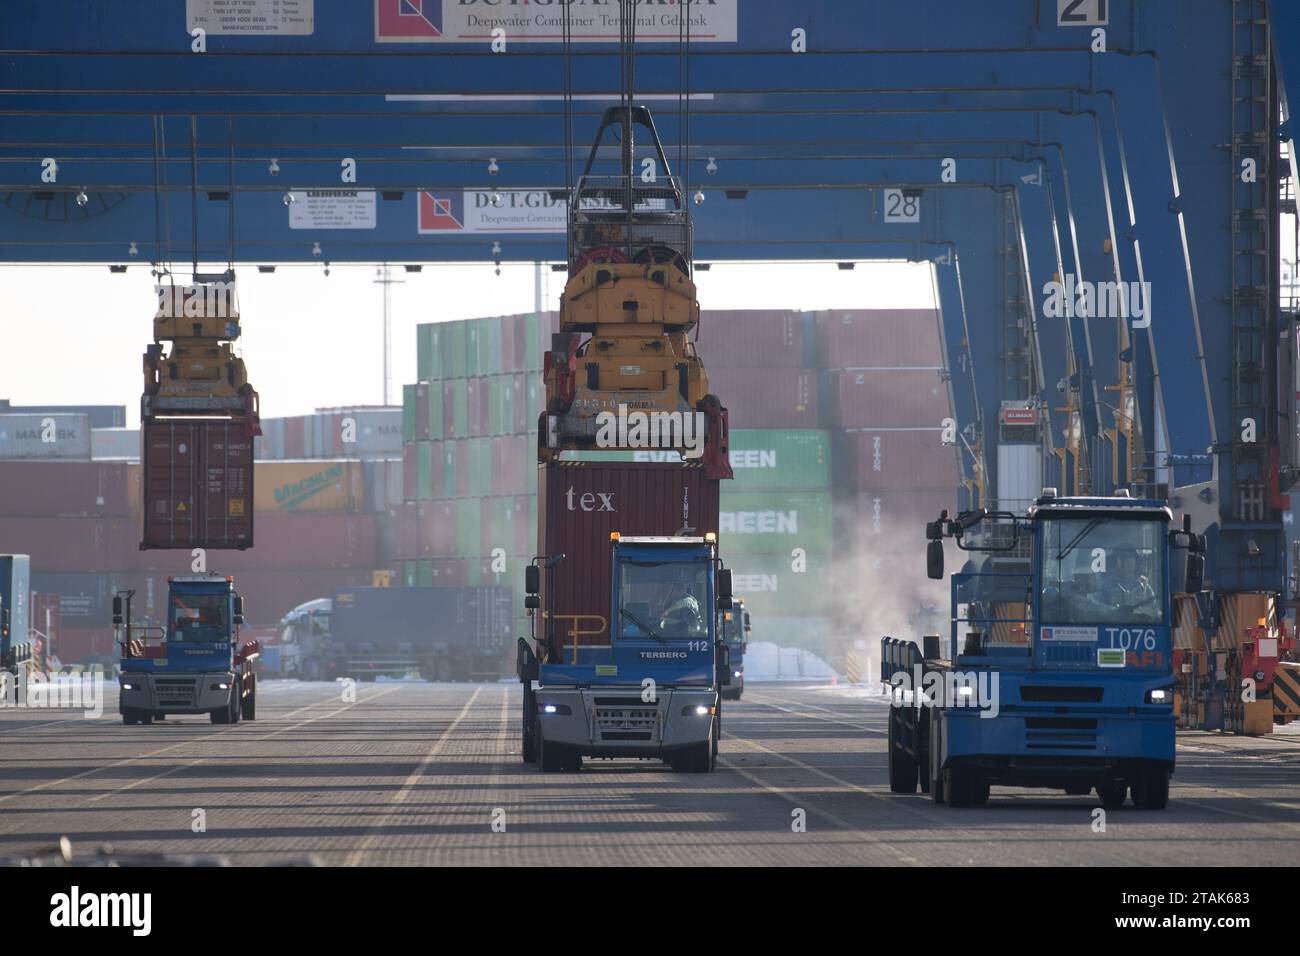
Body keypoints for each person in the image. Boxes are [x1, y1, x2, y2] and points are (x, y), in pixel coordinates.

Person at [1097, 549, 1157, 614]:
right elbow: (1098, 610)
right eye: (1121, 558)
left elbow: (1154, 613)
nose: (1125, 562)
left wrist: (1138, 607)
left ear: (1136, 561)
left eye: (1128, 557)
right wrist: (1112, 601)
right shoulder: (1107, 584)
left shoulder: (1143, 585)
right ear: (1116, 562)